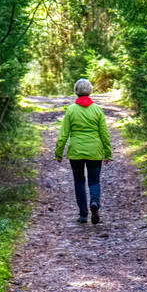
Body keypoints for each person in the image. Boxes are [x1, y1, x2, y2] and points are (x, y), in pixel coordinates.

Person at [54, 78, 113, 225]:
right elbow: (104, 134)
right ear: (90, 91)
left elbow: (63, 134)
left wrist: (58, 152)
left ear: (76, 92)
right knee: (94, 181)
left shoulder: (71, 110)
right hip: (95, 151)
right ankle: (94, 202)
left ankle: (83, 214)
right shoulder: (97, 110)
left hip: (76, 152)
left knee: (79, 182)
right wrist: (108, 152)